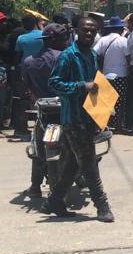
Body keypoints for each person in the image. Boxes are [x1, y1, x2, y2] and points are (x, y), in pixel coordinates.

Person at [41, 17, 114, 222]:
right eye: (85, 30)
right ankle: (102, 205)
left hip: (89, 117)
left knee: (74, 164)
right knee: (89, 164)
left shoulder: (91, 54)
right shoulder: (67, 56)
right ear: (76, 31)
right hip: (73, 119)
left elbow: (95, 85)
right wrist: (81, 86)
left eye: (92, 31)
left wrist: (105, 103)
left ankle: (54, 200)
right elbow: (54, 83)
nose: (89, 34)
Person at [21, 23, 69, 198]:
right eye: (65, 39)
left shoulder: (29, 62)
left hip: (43, 111)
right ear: (59, 40)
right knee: (83, 141)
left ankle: (35, 186)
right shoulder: (66, 57)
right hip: (65, 110)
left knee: (37, 144)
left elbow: (28, 88)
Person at [93, 16, 129, 132]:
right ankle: (117, 126)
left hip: (106, 73)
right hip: (121, 75)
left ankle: (105, 124)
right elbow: (128, 57)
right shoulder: (123, 40)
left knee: (106, 100)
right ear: (120, 29)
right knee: (119, 101)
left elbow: (94, 53)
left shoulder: (103, 39)